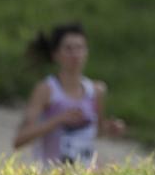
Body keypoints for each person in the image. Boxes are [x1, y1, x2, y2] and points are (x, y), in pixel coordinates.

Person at [12, 22, 127, 167]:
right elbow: (19, 140)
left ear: (87, 52)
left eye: (80, 48)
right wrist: (58, 120)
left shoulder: (96, 90)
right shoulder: (46, 90)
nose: (75, 55)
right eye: (68, 49)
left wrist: (110, 129)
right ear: (55, 54)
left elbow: (96, 132)